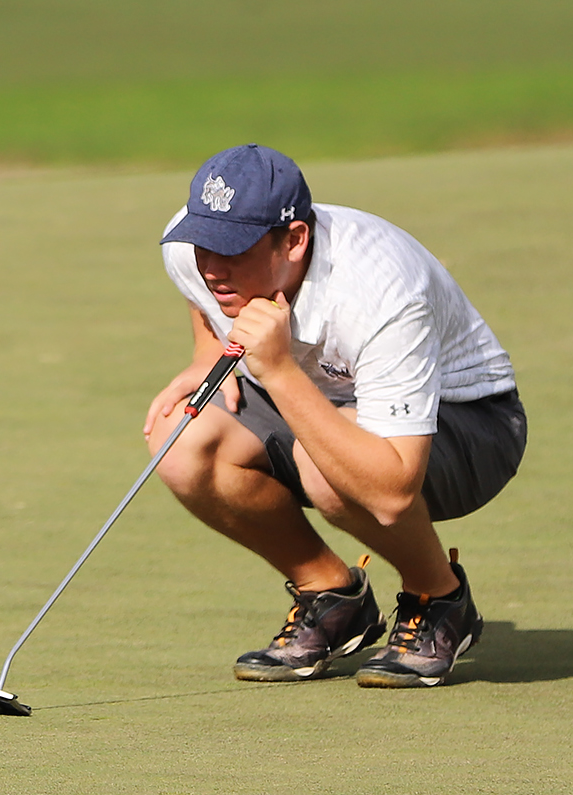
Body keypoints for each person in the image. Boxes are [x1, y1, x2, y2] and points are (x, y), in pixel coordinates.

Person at [146, 144, 526, 688]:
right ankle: (330, 595)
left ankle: (439, 598)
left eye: (232, 249)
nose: (212, 267)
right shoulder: (191, 249)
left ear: (294, 240)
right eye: (204, 243)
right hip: (324, 394)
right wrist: (208, 354)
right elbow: (198, 288)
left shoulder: (382, 291)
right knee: (181, 435)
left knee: (328, 464)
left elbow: (391, 491)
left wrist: (278, 372)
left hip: (470, 423)